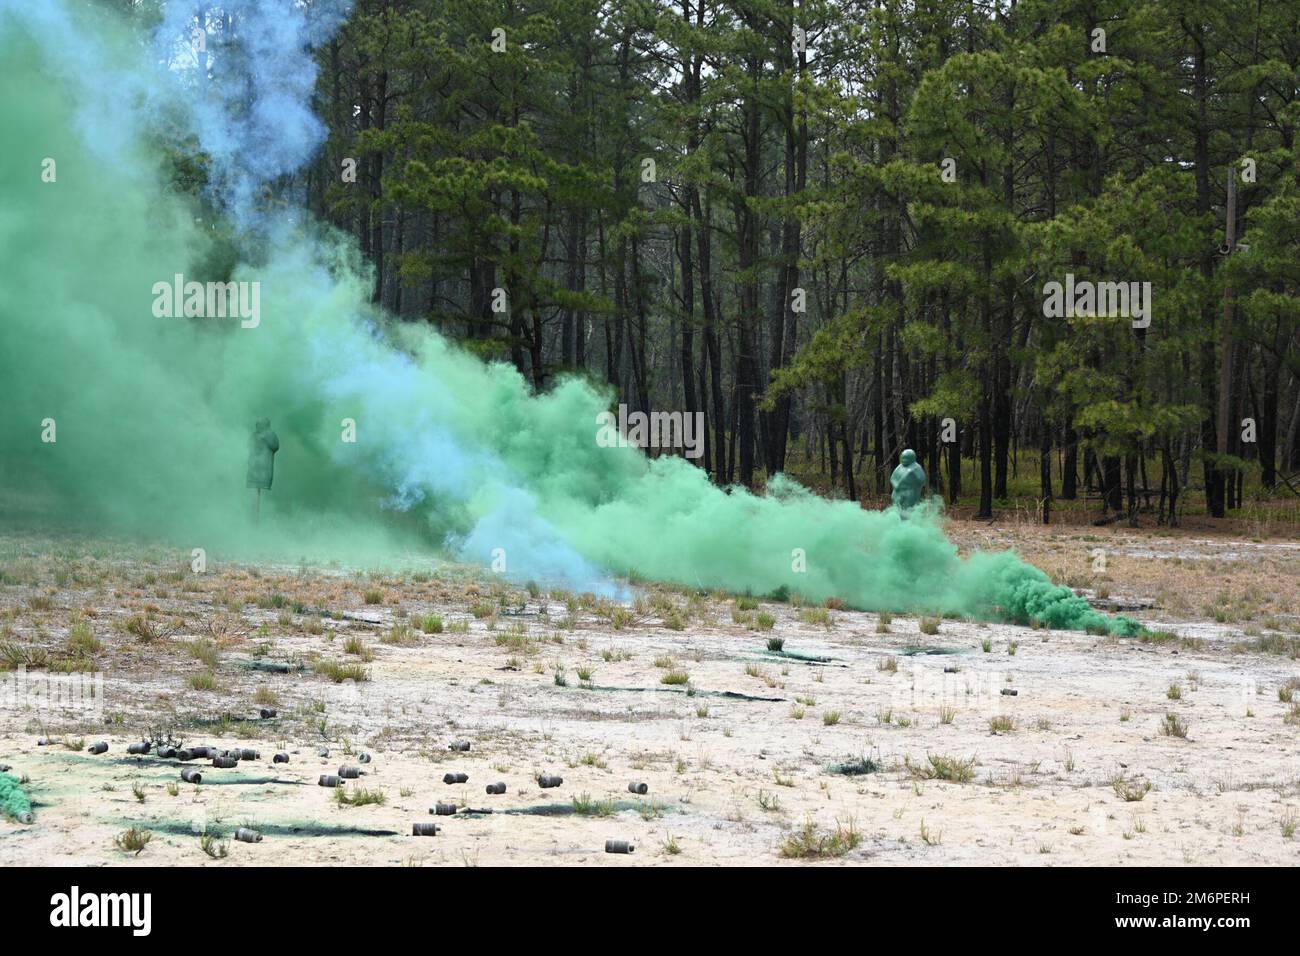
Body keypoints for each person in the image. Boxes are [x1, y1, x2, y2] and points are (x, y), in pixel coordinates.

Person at [246, 418, 279, 523]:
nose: (258, 426)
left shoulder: (271, 435)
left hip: (264, 472)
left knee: (262, 499)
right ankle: (253, 522)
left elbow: (275, 446)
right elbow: (248, 447)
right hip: (253, 471)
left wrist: (265, 438)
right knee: (253, 499)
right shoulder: (253, 435)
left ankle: (259, 523)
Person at [890, 448, 926, 512]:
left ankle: (908, 521)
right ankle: (897, 520)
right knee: (897, 510)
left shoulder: (917, 468)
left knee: (907, 510)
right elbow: (892, 478)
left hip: (909, 493)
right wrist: (896, 486)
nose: (904, 460)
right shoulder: (900, 467)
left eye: (906, 458)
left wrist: (914, 475)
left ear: (912, 459)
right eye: (903, 458)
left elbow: (922, 480)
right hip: (897, 492)